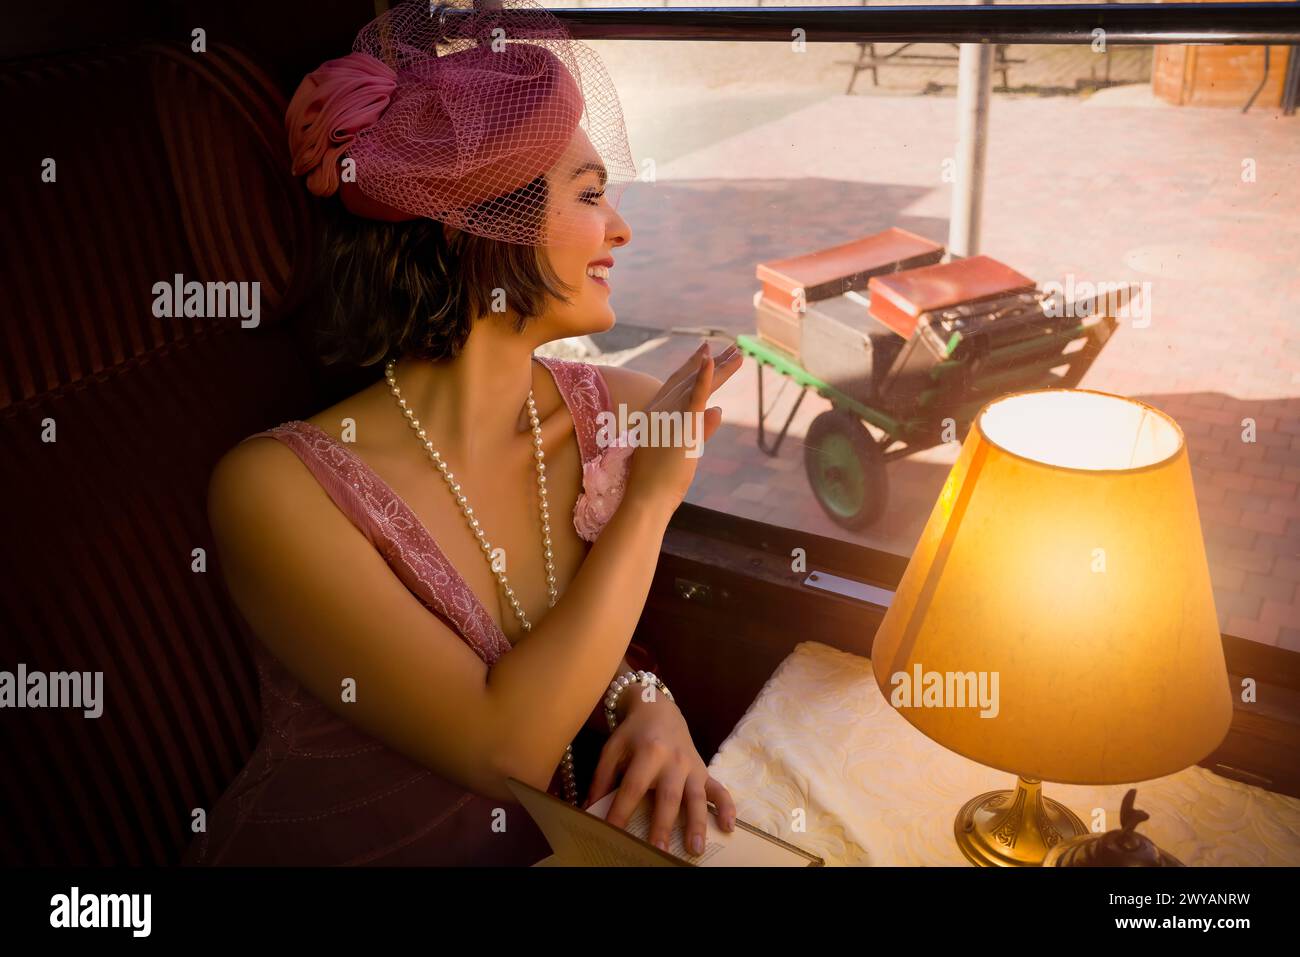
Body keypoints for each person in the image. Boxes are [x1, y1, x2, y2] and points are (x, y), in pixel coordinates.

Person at [184, 0, 742, 866]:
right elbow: (505, 750)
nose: (621, 229)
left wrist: (645, 697)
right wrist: (650, 504)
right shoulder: (275, 489)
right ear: (473, 223)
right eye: (591, 196)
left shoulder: (625, 413)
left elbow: (570, 641)